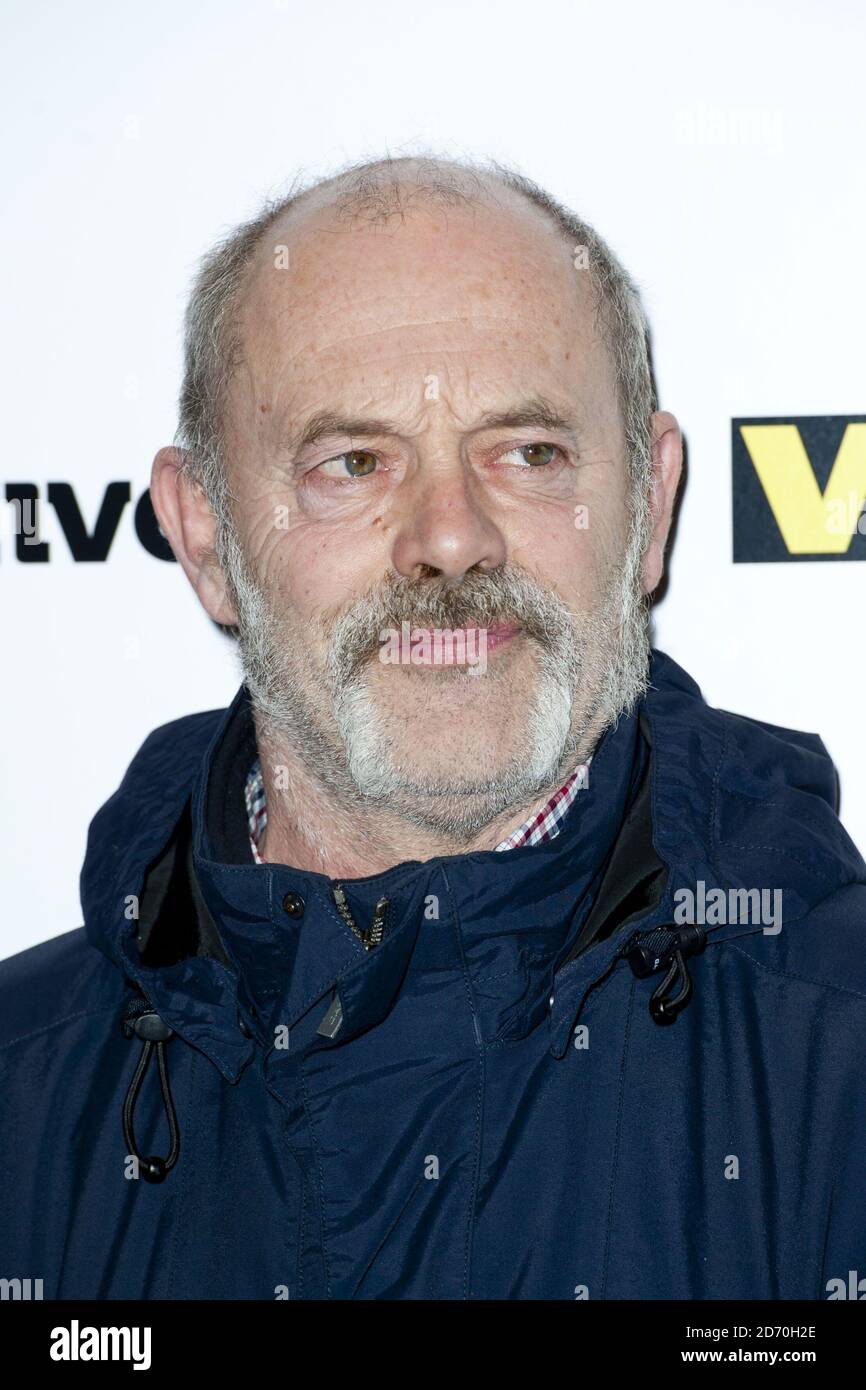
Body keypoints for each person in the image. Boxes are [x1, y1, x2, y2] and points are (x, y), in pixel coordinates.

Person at [2, 155, 865, 1300]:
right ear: (202, 536)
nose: (450, 539)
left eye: (527, 452)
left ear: (648, 508)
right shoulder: (22, 1095)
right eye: (353, 463)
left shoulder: (841, 1059)